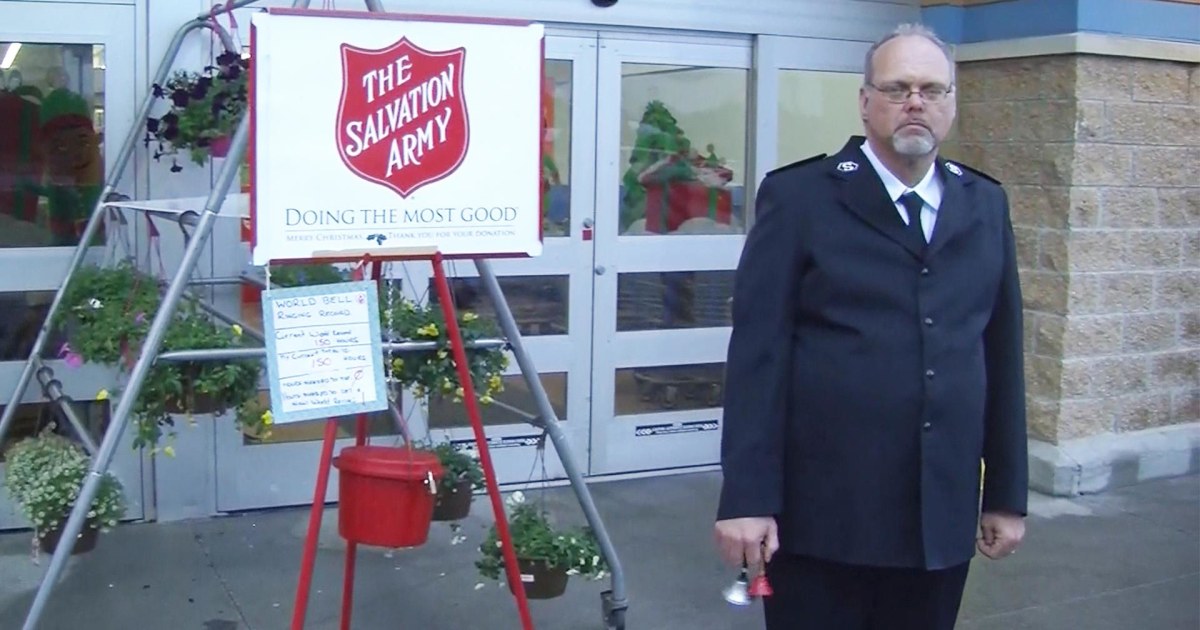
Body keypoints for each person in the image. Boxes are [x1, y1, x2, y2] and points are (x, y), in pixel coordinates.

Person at [714, 23, 1029, 630]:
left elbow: (1001, 352)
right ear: (865, 101)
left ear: (952, 104)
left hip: (938, 515)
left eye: (933, 90)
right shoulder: (802, 197)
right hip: (824, 516)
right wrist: (747, 499)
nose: (917, 102)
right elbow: (759, 354)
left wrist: (1007, 494)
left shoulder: (984, 204)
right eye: (898, 87)